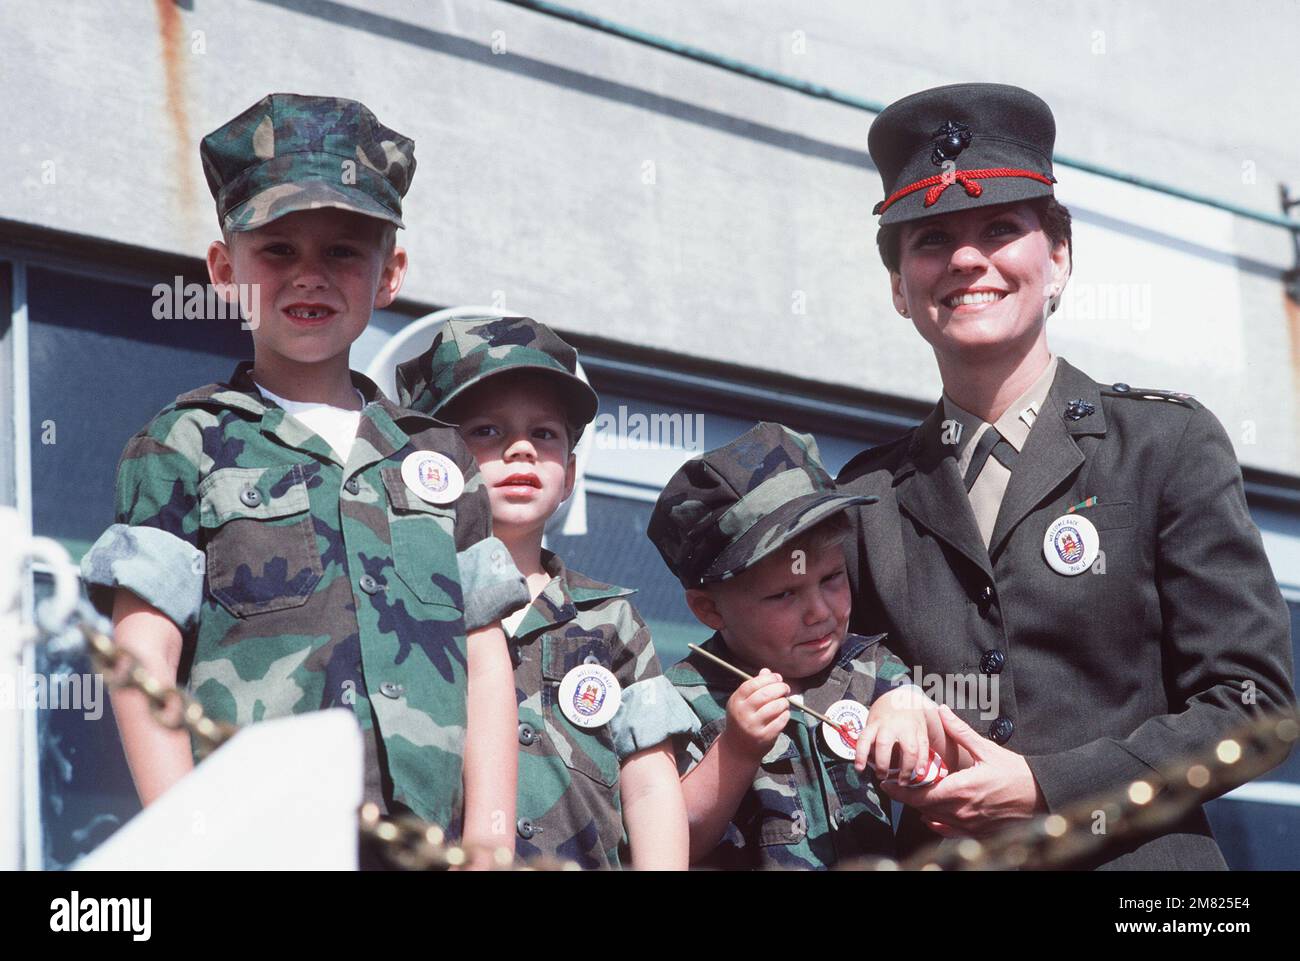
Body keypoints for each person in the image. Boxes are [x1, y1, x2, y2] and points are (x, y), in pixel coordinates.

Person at [837, 82, 1295, 869]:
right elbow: (808, 668)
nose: (967, 259)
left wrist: (1047, 786)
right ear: (899, 288)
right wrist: (881, 699)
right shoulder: (868, 493)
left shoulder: (1164, 445)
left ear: (1058, 259)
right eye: (933, 239)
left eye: (1000, 228)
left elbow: (1253, 706)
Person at [79, 94, 529, 860]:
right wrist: (186, 842)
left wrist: (489, 844)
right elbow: (141, 654)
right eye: (278, 250)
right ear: (225, 271)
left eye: (344, 252)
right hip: (260, 844)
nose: (310, 277)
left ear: (390, 274)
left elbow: (484, 659)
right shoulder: (185, 443)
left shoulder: (439, 457)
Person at [396, 315, 695, 869]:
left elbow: (651, 785)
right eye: (486, 431)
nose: (521, 450)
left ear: (571, 473)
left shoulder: (610, 620)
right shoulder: (404, 593)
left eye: (544, 434)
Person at [648, 422, 956, 869]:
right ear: (709, 610)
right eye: (784, 595)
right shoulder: (681, 701)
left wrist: (907, 710)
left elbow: (955, 758)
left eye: (831, 578)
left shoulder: (869, 669)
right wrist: (736, 750)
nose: (819, 612)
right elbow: (672, 843)